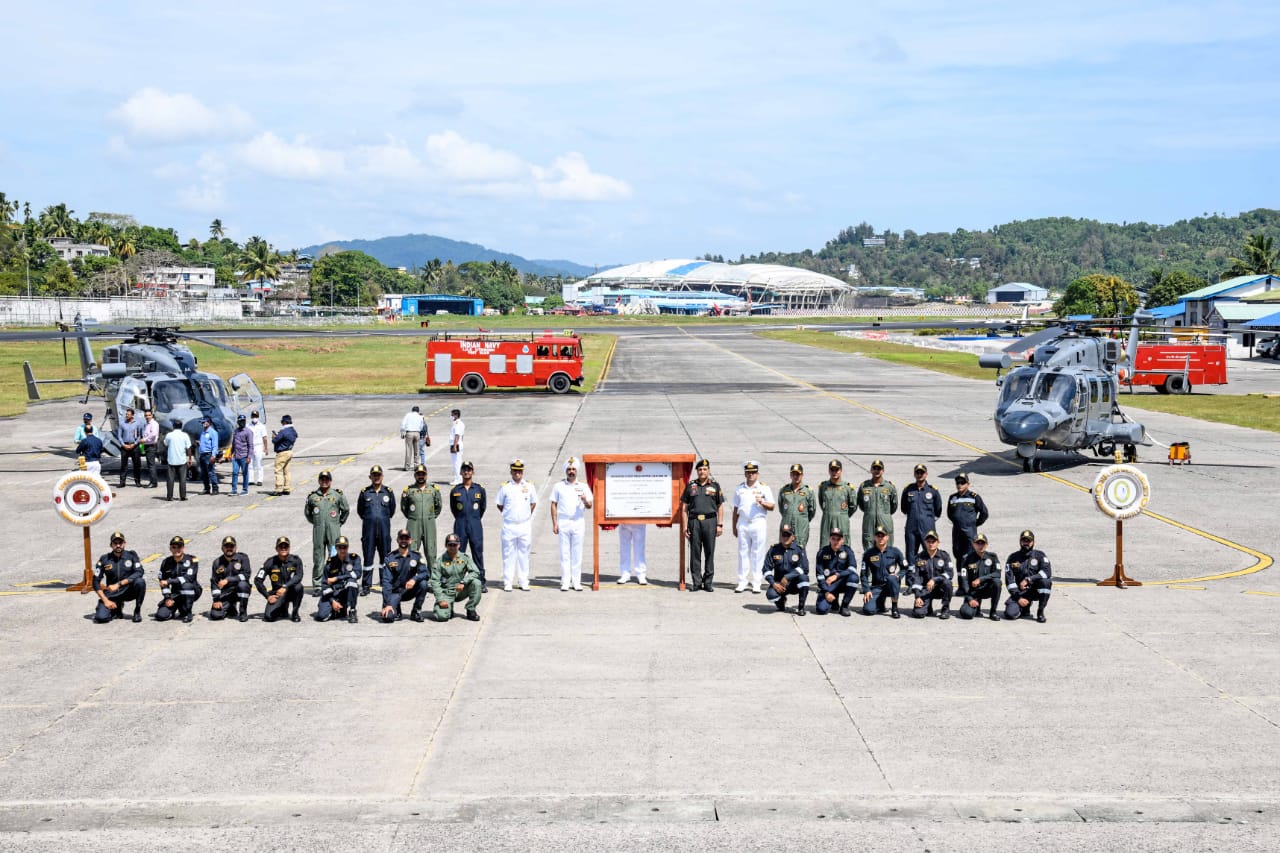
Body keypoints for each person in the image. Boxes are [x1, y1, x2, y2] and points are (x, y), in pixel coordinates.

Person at [680, 458, 723, 592]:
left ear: (708, 471)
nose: (702, 471)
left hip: (710, 522)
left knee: (709, 553)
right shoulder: (691, 486)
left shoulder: (715, 486)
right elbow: (684, 508)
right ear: (697, 471)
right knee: (695, 553)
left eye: (705, 469)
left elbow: (720, 506)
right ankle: (697, 582)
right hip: (694, 522)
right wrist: (685, 526)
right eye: (700, 469)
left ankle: (708, 582)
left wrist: (720, 525)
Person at [550, 456, 592, 591]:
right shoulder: (558, 486)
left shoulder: (583, 486)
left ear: (577, 470)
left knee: (577, 553)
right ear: (565, 471)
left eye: (573, 469)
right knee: (564, 553)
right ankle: (565, 581)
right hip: (564, 521)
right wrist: (555, 523)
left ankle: (576, 581)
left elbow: (590, 505)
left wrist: (585, 500)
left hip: (578, 521)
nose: (571, 471)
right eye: (569, 469)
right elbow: (553, 504)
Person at [732, 460, 774, 593]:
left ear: (757, 474)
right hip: (743, 522)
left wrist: (762, 502)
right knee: (743, 552)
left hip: (758, 522)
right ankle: (742, 581)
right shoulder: (740, 489)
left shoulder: (764, 488)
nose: (751, 474)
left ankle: (756, 582)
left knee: (758, 553)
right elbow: (735, 508)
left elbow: (772, 506)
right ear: (745, 473)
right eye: (748, 472)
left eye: (753, 472)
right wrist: (734, 526)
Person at [305, 470, 349, 592]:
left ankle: (334, 582)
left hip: (333, 531)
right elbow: (308, 513)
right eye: (322, 479)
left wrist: (338, 523)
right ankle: (318, 585)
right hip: (318, 531)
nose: (324, 481)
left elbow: (345, 510)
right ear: (319, 481)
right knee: (318, 557)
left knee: (335, 556)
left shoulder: (337, 495)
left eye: (326, 479)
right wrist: (317, 523)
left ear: (330, 481)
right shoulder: (312, 497)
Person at [401, 463, 443, 594]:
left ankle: (432, 581)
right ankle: (411, 580)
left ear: (426, 475)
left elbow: (438, 506)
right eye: (418, 474)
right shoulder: (408, 491)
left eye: (423, 474)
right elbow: (404, 508)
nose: (421, 476)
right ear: (415, 475)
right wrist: (413, 517)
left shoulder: (434, 489)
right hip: (413, 523)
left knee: (431, 552)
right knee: (412, 552)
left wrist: (430, 517)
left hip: (429, 523)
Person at [496, 458, 537, 591]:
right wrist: (509, 514)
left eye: (519, 471)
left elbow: (533, 503)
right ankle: (508, 582)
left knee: (524, 554)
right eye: (515, 471)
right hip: (509, 525)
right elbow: (499, 504)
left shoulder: (529, 486)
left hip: (524, 525)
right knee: (508, 554)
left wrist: (525, 514)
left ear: (522, 472)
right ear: (511, 471)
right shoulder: (505, 487)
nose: (517, 473)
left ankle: (523, 581)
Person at [91, 530, 145, 623]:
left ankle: (137, 611)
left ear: (124, 544)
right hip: (112, 593)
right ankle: (116, 608)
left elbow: (139, 572)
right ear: (111, 545)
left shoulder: (131, 555)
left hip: (128, 590)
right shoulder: (104, 559)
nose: (118, 545)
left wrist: (119, 584)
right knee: (101, 618)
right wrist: (105, 600)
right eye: (115, 543)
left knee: (140, 582)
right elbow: (95, 581)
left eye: (120, 543)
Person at [450, 461, 488, 591]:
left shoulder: (479, 489)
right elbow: (454, 509)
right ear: (461, 472)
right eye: (464, 470)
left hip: (475, 524)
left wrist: (474, 519)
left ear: (473, 472)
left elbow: (482, 507)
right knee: (458, 553)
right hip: (460, 524)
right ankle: (457, 581)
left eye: (469, 470)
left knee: (477, 552)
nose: (466, 472)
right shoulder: (455, 490)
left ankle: (480, 581)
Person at [430, 533, 482, 622]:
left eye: (455, 545)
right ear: (446, 545)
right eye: (450, 545)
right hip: (447, 592)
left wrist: (463, 582)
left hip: (461, 590)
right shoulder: (440, 561)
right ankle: (449, 608)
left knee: (476, 583)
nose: (452, 547)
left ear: (459, 545)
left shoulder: (464, 558)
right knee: (441, 617)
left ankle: (471, 609)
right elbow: (434, 581)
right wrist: (440, 599)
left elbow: (475, 572)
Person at [380, 528, 429, 622]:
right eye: (401, 538)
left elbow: (425, 573)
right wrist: (387, 604)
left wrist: (414, 579)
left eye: (406, 538)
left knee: (423, 583)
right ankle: (397, 609)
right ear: (397, 540)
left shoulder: (416, 556)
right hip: (395, 592)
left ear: (410, 541)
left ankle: (416, 611)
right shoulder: (390, 558)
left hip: (409, 590)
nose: (403, 540)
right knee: (387, 617)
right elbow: (386, 582)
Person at [1003, 529, 1052, 623]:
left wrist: (1029, 579)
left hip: (1036, 590)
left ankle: (1040, 612)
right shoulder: (1013, 557)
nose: (1026, 543)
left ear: (1033, 542)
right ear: (1020, 541)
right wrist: (1018, 598)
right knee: (1010, 614)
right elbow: (1009, 581)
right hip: (1021, 592)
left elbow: (1047, 572)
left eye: (1028, 540)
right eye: (1024, 540)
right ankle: (1024, 608)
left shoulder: (1040, 555)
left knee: (1046, 582)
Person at [357, 464, 396, 579]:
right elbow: (360, 511)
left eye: (378, 475)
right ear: (370, 477)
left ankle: (385, 581)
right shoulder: (365, 492)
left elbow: (392, 510)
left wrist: (382, 519)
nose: (376, 477)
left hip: (384, 531)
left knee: (385, 557)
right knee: (368, 557)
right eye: (374, 475)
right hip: (369, 531)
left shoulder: (388, 492)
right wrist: (371, 519)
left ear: (382, 476)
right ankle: (366, 584)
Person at [947, 472, 989, 576]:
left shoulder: (974, 497)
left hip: (970, 533)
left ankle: (971, 580)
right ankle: (961, 580)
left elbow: (984, 513)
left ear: (968, 484)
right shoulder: (952, 498)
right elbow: (950, 514)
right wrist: (957, 522)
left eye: (962, 482)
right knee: (958, 555)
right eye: (958, 482)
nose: (959, 485)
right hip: (957, 533)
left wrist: (974, 524)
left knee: (971, 556)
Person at [860, 525, 907, 618]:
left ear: (887, 537)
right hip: (877, 586)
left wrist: (898, 576)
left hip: (891, 585)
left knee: (892, 578)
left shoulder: (895, 551)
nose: (880, 538)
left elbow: (905, 567)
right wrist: (866, 590)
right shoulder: (869, 553)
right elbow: (863, 574)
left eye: (883, 536)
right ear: (874, 537)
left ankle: (894, 608)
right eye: (878, 536)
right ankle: (880, 602)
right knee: (868, 610)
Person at [762, 524, 810, 615]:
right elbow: (766, 569)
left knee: (804, 579)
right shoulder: (774, 549)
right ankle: (781, 602)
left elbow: (805, 568)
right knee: (771, 596)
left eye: (788, 535)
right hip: (779, 584)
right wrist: (773, 583)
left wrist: (787, 577)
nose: (785, 537)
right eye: (783, 535)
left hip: (794, 584)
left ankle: (801, 607)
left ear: (793, 537)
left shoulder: (799, 549)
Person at [255, 535, 305, 623]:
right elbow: (258, 580)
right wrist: (268, 596)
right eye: (281, 546)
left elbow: (298, 576)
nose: (283, 548)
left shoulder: (296, 560)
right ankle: (283, 608)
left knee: (299, 587)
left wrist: (285, 586)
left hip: (291, 591)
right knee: (269, 617)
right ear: (276, 548)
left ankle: (295, 613)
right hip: (277, 593)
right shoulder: (270, 562)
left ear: (289, 548)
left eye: (286, 546)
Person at [907, 530, 953, 619]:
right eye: (928, 541)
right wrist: (917, 596)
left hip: (940, 589)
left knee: (948, 583)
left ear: (938, 542)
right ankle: (928, 607)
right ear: (925, 542)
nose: (931, 544)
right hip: (926, 589)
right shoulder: (919, 557)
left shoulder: (944, 556)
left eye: (933, 541)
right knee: (918, 613)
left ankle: (945, 607)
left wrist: (934, 579)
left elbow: (949, 573)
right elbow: (916, 577)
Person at [155, 535, 202, 623]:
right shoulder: (166, 562)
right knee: (161, 615)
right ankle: (175, 609)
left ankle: (188, 612)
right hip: (176, 593)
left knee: (186, 586)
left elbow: (188, 578)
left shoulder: (192, 560)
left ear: (183, 548)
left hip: (192, 590)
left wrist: (169, 581)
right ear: (170, 548)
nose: (176, 549)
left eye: (179, 547)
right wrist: (167, 598)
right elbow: (163, 582)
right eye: (174, 547)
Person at [900, 463, 942, 560]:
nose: (919, 475)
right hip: (911, 527)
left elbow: (938, 510)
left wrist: (928, 520)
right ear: (914, 474)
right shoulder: (908, 490)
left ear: (926, 474)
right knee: (910, 554)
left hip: (927, 528)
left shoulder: (933, 491)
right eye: (917, 473)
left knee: (930, 552)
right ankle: (911, 570)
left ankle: (930, 570)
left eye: (922, 473)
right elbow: (904, 508)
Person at [813, 527, 858, 616]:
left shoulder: (847, 551)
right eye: (833, 539)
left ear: (842, 540)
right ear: (830, 539)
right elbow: (819, 575)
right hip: (828, 585)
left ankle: (844, 606)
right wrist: (826, 592)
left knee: (854, 578)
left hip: (842, 582)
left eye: (838, 539)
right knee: (821, 610)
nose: (835, 541)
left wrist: (837, 575)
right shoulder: (822, 552)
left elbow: (853, 568)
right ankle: (834, 601)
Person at [316, 535, 361, 623]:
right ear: (336, 548)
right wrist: (332, 601)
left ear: (348, 547)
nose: (342, 550)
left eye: (345, 547)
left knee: (352, 582)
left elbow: (357, 574)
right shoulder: (330, 563)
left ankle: (352, 610)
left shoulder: (354, 559)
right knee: (321, 616)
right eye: (340, 547)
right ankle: (338, 611)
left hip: (346, 592)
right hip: (334, 593)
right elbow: (324, 584)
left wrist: (337, 578)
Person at [957, 533, 1002, 621]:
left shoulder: (992, 557)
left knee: (997, 582)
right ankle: (976, 607)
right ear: (973, 544)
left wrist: (981, 579)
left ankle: (993, 612)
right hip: (973, 592)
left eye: (983, 543)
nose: (980, 546)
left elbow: (997, 573)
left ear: (987, 544)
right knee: (966, 614)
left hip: (987, 589)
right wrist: (970, 599)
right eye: (978, 543)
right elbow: (964, 580)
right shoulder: (967, 559)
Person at [856, 459, 898, 550]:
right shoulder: (864, 486)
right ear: (871, 470)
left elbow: (894, 506)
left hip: (885, 521)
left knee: (887, 548)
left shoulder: (889, 487)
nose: (876, 471)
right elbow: (861, 504)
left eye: (879, 468)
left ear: (883, 471)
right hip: (869, 522)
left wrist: (883, 514)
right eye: (874, 468)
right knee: (868, 547)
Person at [209, 535, 252, 622]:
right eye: (226, 546)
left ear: (235, 548)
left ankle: (243, 612)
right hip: (226, 592)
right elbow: (214, 582)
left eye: (231, 546)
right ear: (222, 548)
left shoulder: (243, 558)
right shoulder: (217, 562)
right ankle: (230, 607)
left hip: (239, 590)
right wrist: (216, 600)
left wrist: (228, 580)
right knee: (215, 615)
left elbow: (246, 575)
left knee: (243, 584)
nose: (229, 549)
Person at [777, 463, 817, 550]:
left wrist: (802, 519)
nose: (796, 476)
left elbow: (812, 510)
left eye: (798, 474)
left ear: (802, 475)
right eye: (793, 474)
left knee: (800, 550)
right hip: (787, 525)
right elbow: (781, 508)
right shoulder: (784, 490)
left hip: (801, 527)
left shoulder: (808, 491)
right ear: (790, 475)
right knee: (784, 550)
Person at [818, 459, 857, 542]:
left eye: (837, 470)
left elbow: (853, 506)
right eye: (832, 470)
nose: (834, 472)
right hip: (827, 520)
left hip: (842, 520)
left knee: (842, 544)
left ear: (841, 471)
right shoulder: (823, 487)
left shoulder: (847, 488)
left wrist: (843, 515)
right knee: (825, 544)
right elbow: (821, 502)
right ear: (829, 471)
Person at [162, 419, 193, 501]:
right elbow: (188, 448)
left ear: (173, 426)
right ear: (181, 427)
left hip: (171, 460)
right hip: (181, 460)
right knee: (182, 479)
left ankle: (169, 496)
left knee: (170, 479)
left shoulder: (169, 435)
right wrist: (190, 458)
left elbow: (165, 443)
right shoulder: (185, 435)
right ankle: (183, 496)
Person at [116, 407, 144, 488]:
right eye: (126, 414)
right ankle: (122, 482)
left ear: (132, 415)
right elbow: (119, 436)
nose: (126, 415)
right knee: (123, 465)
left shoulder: (137, 424)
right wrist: (123, 444)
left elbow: (139, 435)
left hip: (134, 446)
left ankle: (137, 481)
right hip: (124, 446)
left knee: (137, 465)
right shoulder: (122, 424)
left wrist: (134, 444)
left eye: (128, 414)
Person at [271, 414, 297, 496]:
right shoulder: (293, 430)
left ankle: (278, 489)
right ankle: (287, 488)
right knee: (286, 471)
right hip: (289, 451)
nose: (281, 423)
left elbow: (275, 440)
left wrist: (274, 437)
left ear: (285, 422)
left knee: (278, 470)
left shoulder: (283, 431)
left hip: (282, 452)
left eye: (282, 422)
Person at [229, 416, 253, 495]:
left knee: (245, 473)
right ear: (238, 422)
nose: (243, 422)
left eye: (244, 421)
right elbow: (234, 443)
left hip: (244, 456)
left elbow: (250, 446)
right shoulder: (236, 431)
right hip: (236, 456)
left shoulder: (248, 432)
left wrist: (249, 457)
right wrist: (231, 453)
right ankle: (234, 490)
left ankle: (245, 490)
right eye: (241, 421)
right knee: (235, 472)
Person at [197, 416, 220, 495]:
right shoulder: (203, 432)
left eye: (204, 422)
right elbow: (205, 443)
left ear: (209, 422)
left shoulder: (213, 432)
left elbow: (215, 445)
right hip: (202, 454)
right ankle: (206, 488)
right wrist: (199, 444)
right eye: (202, 422)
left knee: (211, 472)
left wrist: (213, 455)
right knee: (204, 473)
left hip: (208, 454)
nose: (203, 423)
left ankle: (215, 488)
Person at [248, 409, 269, 487]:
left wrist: (266, 448)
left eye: (256, 416)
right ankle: (251, 480)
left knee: (259, 463)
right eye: (253, 416)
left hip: (258, 446)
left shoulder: (262, 426)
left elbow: (265, 438)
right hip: (250, 446)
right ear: (251, 417)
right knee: (250, 464)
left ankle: (260, 480)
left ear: (258, 417)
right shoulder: (248, 426)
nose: (254, 418)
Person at [401, 406, 425, 471]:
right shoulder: (420, 416)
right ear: (418, 411)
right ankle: (416, 466)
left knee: (408, 450)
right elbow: (422, 426)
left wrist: (402, 433)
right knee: (417, 450)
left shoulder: (408, 415)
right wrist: (418, 431)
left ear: (412, 410)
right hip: (417, 433)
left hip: (409, 433)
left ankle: (407, 466)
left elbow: (403, 424)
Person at [140, 409, 160, 488]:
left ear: (152, 415)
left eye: (149, 415)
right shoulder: (147, 424)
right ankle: (152, 481)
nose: (147, 417)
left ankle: (153, 482)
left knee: (151, 465)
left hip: (151, 446)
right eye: (146, 415)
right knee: (150, 464)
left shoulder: (153, 424)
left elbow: (154, 434)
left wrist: (144, 439)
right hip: (147, 445)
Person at [448, 409, 465, 484]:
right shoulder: (460, 423)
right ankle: (459, 479)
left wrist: (455, 446)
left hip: (456, 444)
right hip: (459, 444)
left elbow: (457, 435)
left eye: (452, 415)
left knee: (456, 463)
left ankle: (458, 479)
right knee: (458, 462)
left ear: (456, 415)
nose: (451, 416)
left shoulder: (457, 424)